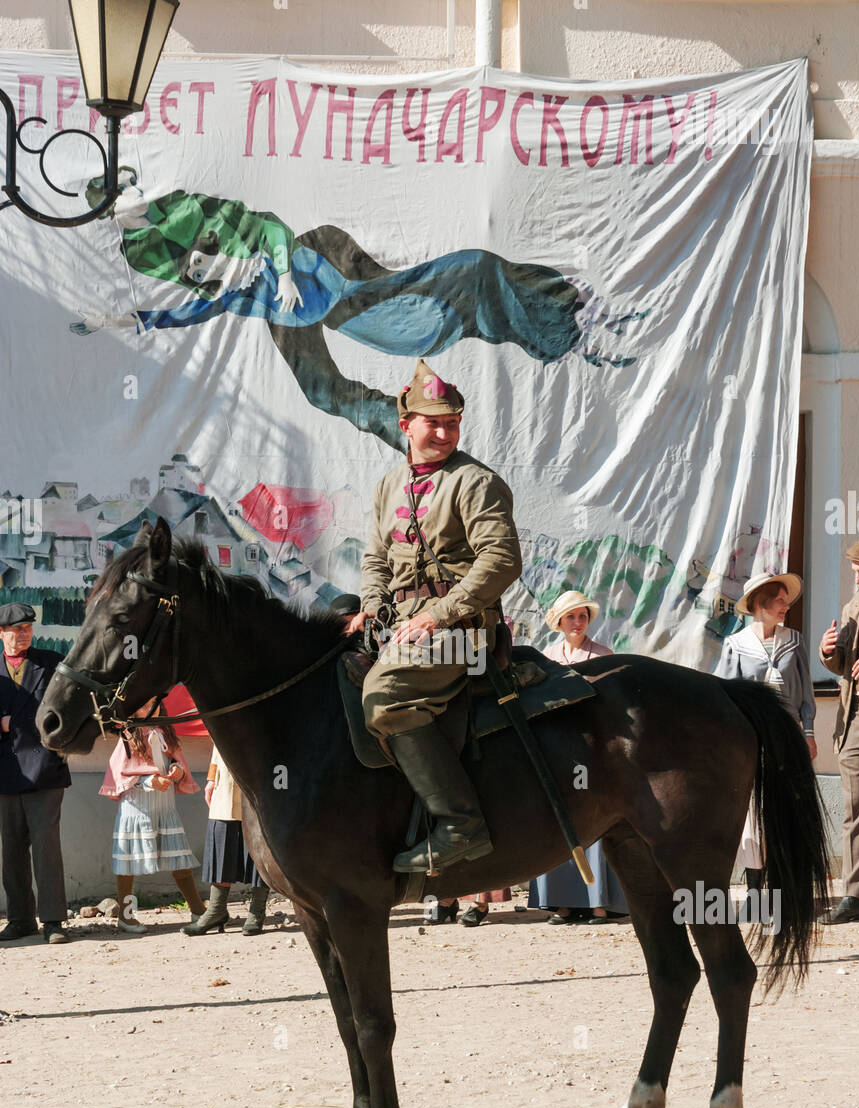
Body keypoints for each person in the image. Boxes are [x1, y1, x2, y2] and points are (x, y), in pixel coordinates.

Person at [71, 175, 645, 452]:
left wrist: (289, 270)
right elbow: (189, 312)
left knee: (467, 277)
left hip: (336, 278)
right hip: (322, 309)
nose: (210, 274)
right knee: (325, 392)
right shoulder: (235, 291)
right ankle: (409, 437)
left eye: (209, 264)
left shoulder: (261, 243)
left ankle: (569, 313)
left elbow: (270, 227)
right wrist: (122, 322)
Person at [346, 358, 523, 874]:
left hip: (463, 632)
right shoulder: (388, 484)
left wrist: (439, 615)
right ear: (407, 427)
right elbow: (377, 557)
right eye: (434, 422)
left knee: (383, 698)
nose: (444, 432)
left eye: (452, 423)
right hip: (400, 623)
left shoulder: (475, 481)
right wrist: (372, 606)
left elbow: (501, 559)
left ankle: (459, 824)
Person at [527, 591, 628, 924]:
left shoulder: (603, 654)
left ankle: (598, 902)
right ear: (559, 621)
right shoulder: (548, 657)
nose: (577, 621)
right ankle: (562, 902)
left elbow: (611, 703)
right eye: (571, 616)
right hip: (558, 748)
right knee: (558, 819)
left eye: (582, 615)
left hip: (592, 747)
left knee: (593, 817)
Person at [717, 572, 816, 903]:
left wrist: (809, 733)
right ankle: (756, 893)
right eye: (779, 600)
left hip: (789, 740)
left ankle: (786, 890)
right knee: (754, 816)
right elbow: (728, 697)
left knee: (788, 808)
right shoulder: (736, 645)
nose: (786, 605)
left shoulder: (796, 642)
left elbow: (805, 694)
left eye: (786, 600)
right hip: (754, 741)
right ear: (760, 603)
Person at [99, 705, 205, 933]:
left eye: (154, 704)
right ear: (132, 711)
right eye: (143, 705)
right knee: (128, 861)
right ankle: (126, 917)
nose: (150, 708)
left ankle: (198, 910)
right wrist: (147, 782)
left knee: (179, 856)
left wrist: (178, 771)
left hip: (164, 806)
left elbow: (175, 762)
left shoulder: (166, 733)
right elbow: (121, 774)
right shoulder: (127, 737)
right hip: (136, 807)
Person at [0, 602, 70, 945]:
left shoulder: (52, 663)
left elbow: (59, 713)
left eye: (27, 628)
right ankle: (21, 919)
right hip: (4, 771)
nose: (23, 634)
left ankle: (54, 920)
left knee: (45, 846)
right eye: (15, 629)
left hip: (44, 768)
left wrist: (13, 723)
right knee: (11, 849)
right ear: (1, 633)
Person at [819, 540, 859, 924]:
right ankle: (854, 893)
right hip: (856, 716)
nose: (858, 577)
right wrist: (827, 651)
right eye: (855, 570)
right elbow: (842, 665)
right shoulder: (853, 606)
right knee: (855, 808)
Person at [184, 743, 271, 937]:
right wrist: (211, 779)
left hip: (259, 777)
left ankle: (257, 912)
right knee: (221, 841)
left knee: (260, 848)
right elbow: (218, 740)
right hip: (225, 785)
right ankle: (217, 910)